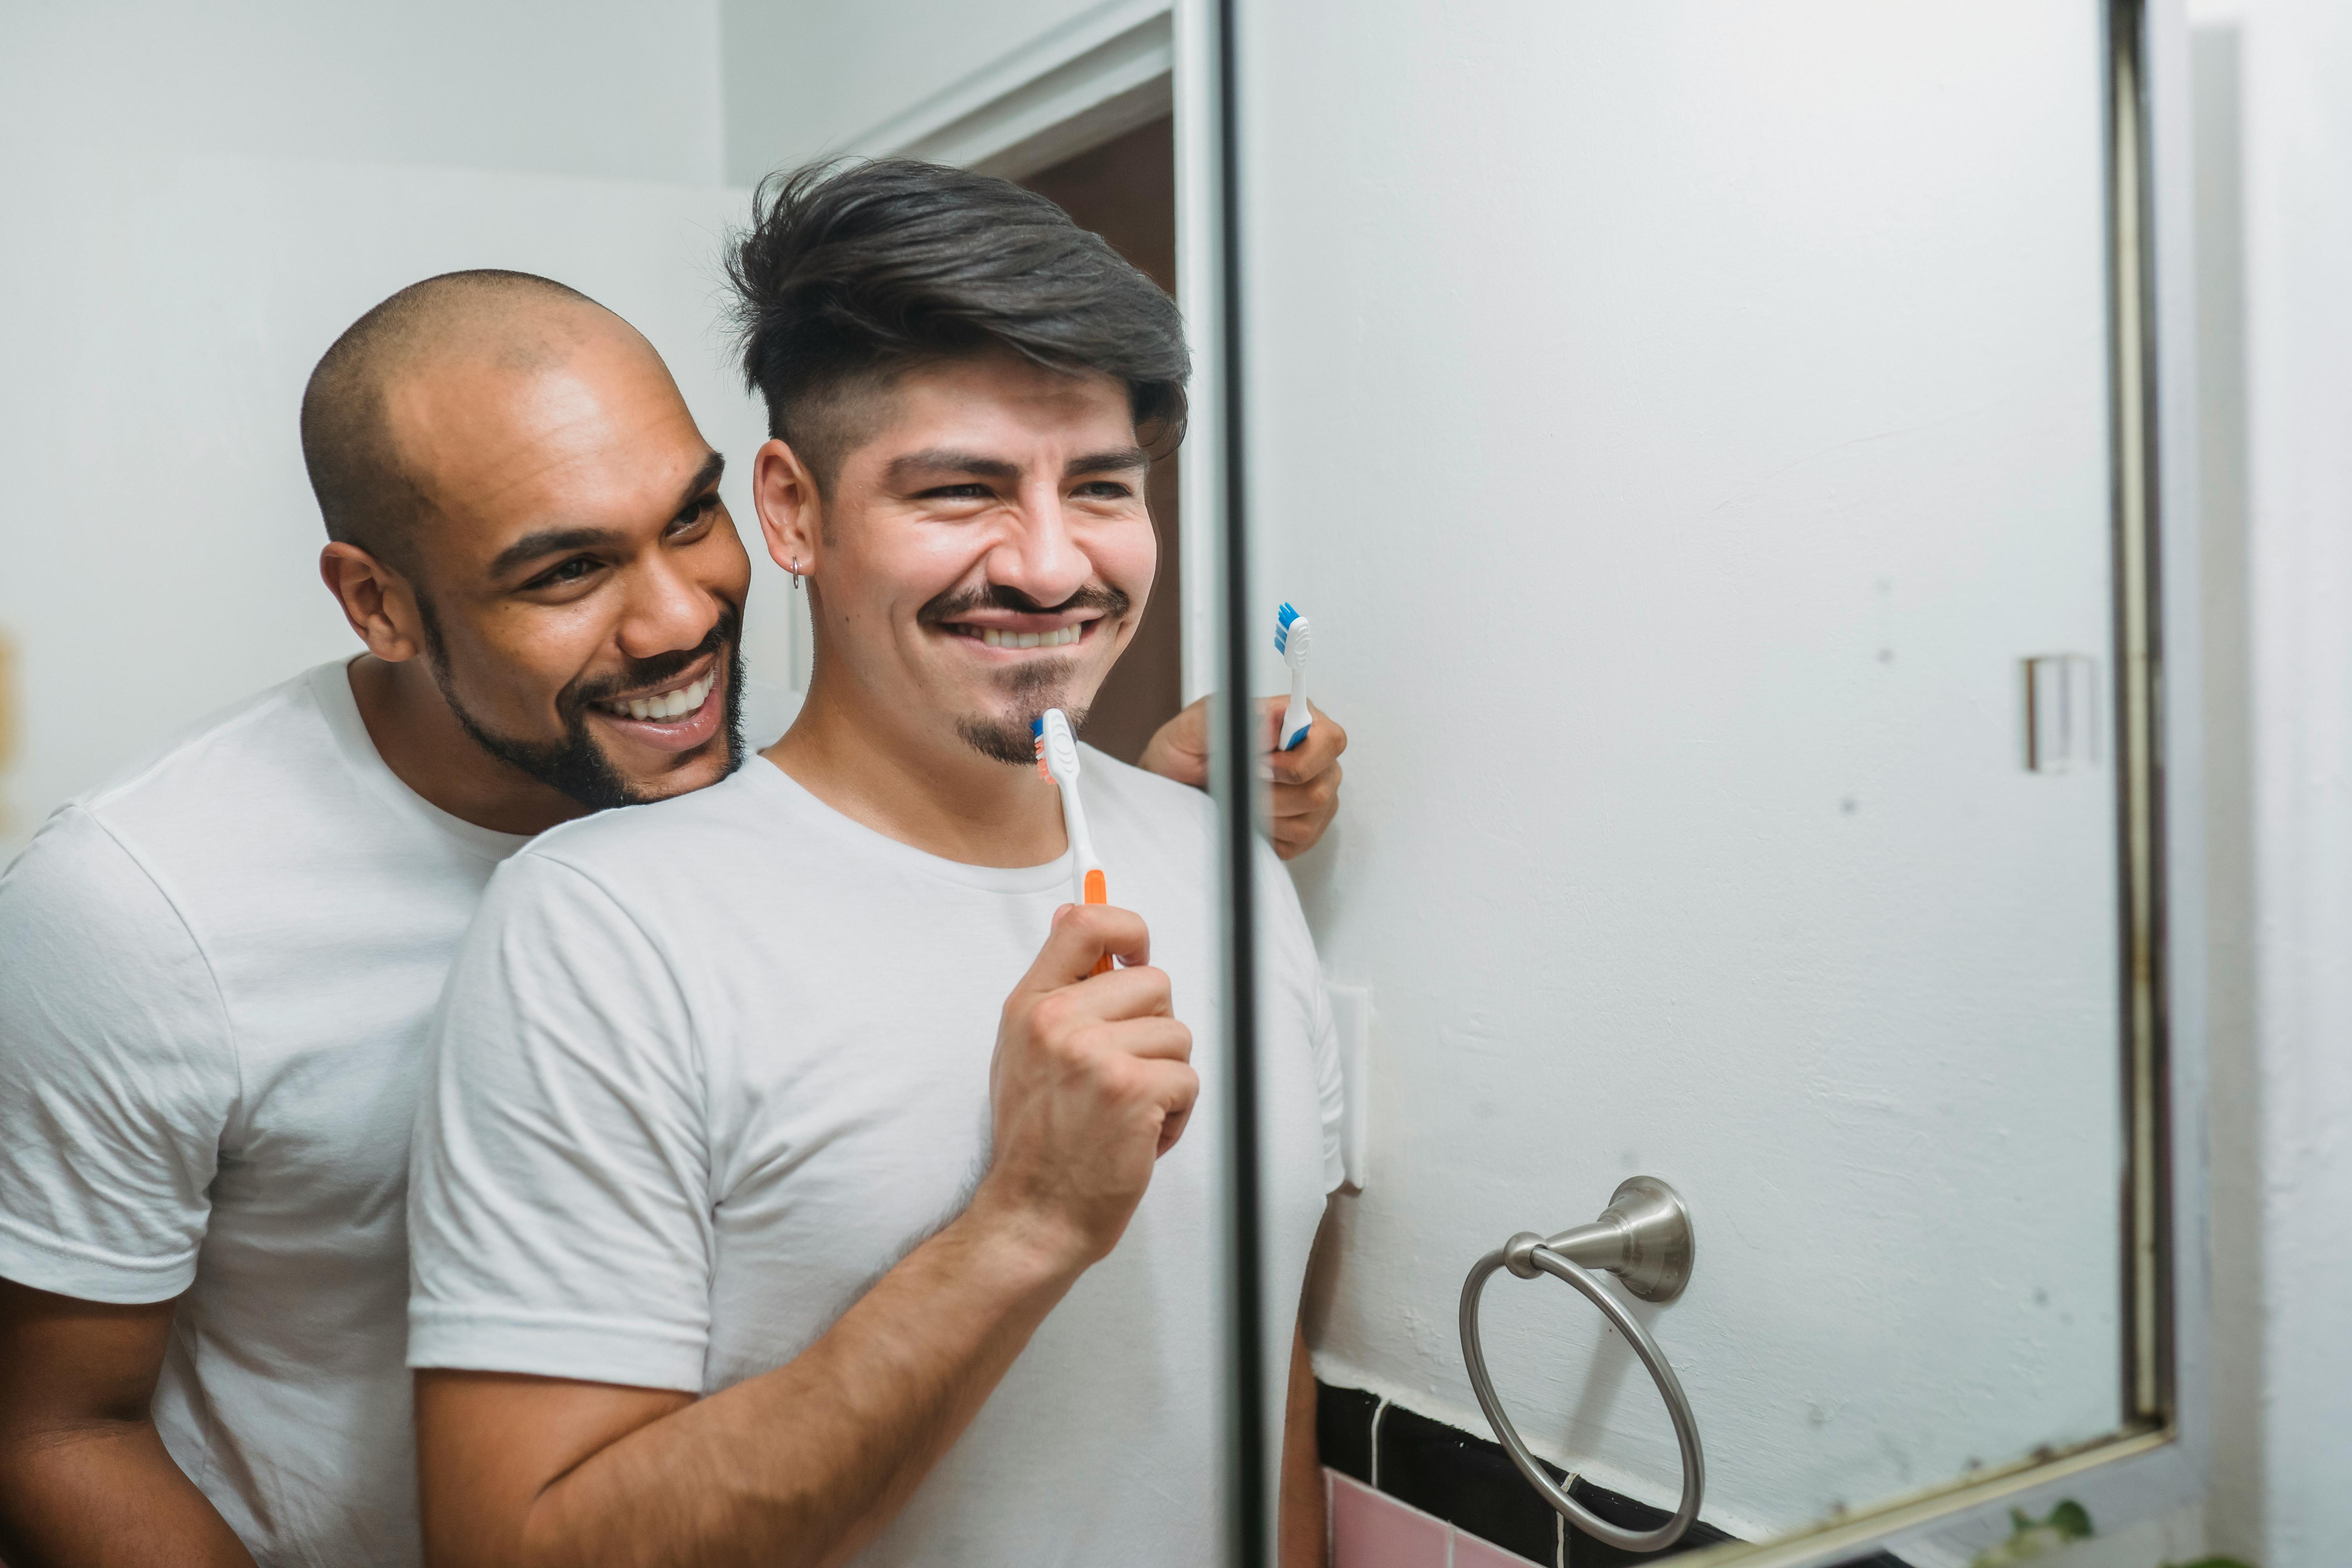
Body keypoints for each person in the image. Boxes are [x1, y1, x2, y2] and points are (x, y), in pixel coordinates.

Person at [0, 258, 1346, 1563]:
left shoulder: (691, 785)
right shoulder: (139, 908)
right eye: (565, 574)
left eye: (691, 519)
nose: (678, 623)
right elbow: (53, 1432)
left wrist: (1138, 809)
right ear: (378, 604)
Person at [403, 160, 1339, 1568]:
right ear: (791, 512)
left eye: (1098, 486)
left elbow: (1267, 1382)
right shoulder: (606, 932)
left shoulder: (1228, 872)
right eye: (959, 490)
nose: (1046, 566)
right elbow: (520, 1550)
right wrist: (1021, 1223)